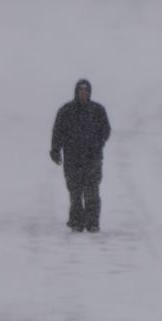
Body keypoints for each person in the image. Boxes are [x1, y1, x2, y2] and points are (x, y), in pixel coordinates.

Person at [50, 79, 111, 232]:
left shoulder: (97, 110)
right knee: (75, 192)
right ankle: (76, 221)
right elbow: (57, 132)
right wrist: (55, 150)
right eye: (81, 91)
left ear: (89, 93)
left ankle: (92, 222)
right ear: (76, 92)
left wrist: (98, 144)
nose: (83, 94)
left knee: (92, 191)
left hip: (93, 158)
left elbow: (106, 130)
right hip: (72, 158)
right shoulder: (66, 111)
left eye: (86, 91)